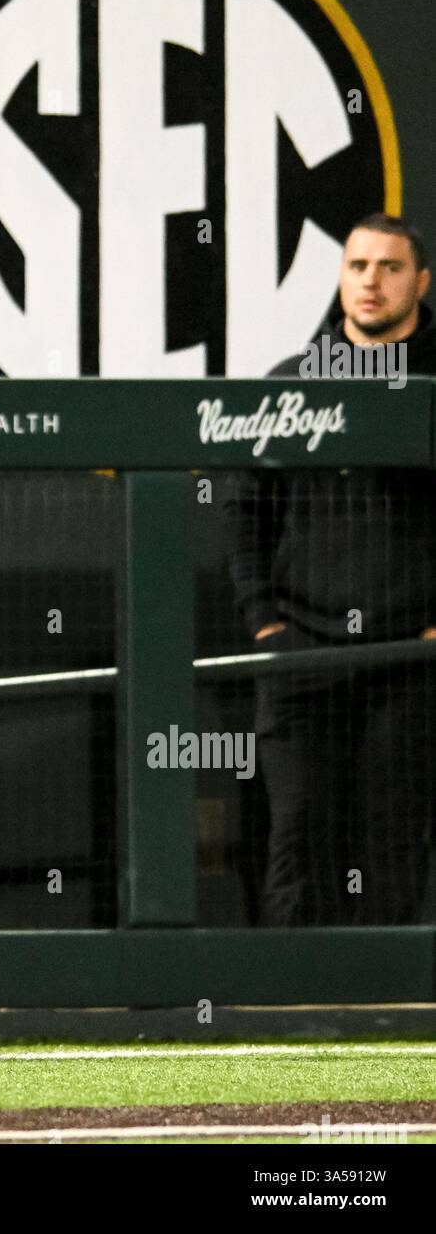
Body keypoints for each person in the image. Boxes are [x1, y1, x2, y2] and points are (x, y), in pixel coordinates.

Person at [223, 213, 436, 926]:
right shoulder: (291, 385)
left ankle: (388, 1016)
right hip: (300, 654)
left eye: (389, 267)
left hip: (410, 657)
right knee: (297, 837)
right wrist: (265, 623)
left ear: (421, 281)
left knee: (395, 843)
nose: (371, 281)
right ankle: (287, 1016)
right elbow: (244, 512)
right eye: (357, 267)